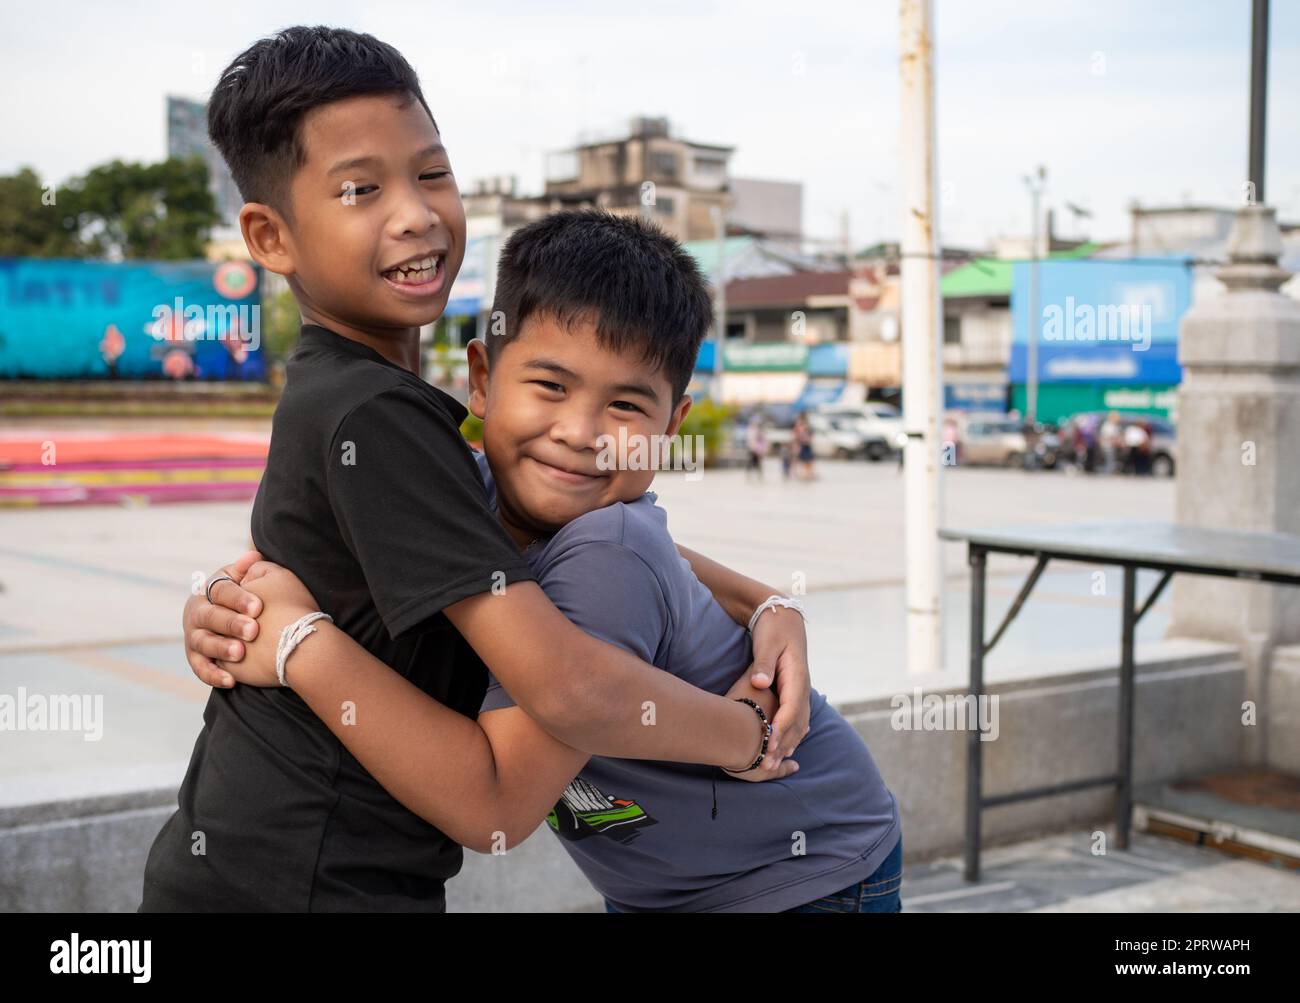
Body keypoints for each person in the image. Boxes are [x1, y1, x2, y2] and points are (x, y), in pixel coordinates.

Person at [145, 27, 811, 913]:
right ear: (271, 236)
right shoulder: (376, 415)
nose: (416, 215)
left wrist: (764, 603)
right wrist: (749, 735)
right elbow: (561, 695)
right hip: (299, 883)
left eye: (432, 174)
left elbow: (534, 539)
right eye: (360, 189)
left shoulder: (357, 397)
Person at [198, 210, 902, 912]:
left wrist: (297, 643)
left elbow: (494, 809)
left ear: (671, 428)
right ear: (481, 378)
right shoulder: (468, 490)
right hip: (677, 885)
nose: (579, 432)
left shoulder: (607, 557)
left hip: (803, 874)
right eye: (550, 386)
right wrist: (228, 607)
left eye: (625, 404)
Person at [793, 412, 816, 480]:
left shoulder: (804, 426)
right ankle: (804, 474)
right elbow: (797, 435)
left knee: (806, 461)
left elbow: (797, 435)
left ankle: (807, 474)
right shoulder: (801, 426)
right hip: (803, 445)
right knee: (804, 461)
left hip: (805, 445)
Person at [745, 411, 767, 480]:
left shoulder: (759, 430)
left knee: (758, 463)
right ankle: (750, 475)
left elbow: (762, 440)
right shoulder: (751, 429)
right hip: (752, 449)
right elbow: (749, 439)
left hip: (757, 449)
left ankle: (759, 475)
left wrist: (762, 449)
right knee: (751, 462)